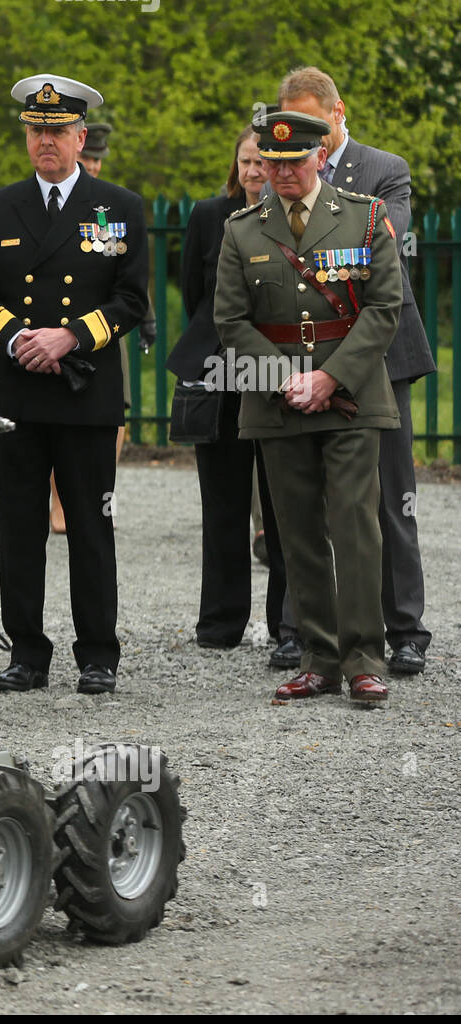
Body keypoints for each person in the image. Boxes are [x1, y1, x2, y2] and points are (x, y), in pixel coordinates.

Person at [0, 73, 149, 696]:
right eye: (36, 131)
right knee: (20, 529)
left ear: (81, 137)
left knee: (91, 529)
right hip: (19, 389)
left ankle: (98, 653)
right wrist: (16, 335)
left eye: (58, 131)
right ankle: (27, 654)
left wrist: (70, 336)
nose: (46, 141)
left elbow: (130, 297)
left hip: (86, 389)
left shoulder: (118, 208)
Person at [214, 110, 402, 705]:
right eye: (273, 163)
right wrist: (287, 379)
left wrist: (329, 377)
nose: (283, 173)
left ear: (321, 156)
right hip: (279, 401)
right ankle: (319, 658)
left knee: (355, 527)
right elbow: (231, 321)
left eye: (295, 162)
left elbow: (383, 308)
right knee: (295, 533)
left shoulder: (365, 216)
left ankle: (365, 659)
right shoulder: (243, 229)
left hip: (351, 399)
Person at [277, 67, 433, 677]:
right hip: (307, 355)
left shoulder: (384, 169)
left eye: (316, 122)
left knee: (392, 495)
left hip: (381, 352)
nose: (305, 138)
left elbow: (384, 244)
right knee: (303, 499)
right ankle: (303, 631)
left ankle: (405, 628)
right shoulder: (285, 171)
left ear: (339, 112)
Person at [166, 124, 294, 652]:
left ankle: (290, 626)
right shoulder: (207, 216)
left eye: (263, 162)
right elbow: (194, 293)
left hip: (276, 372)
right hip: (219, 373)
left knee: (284, 502)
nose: (254, 171)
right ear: (235, 167)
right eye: (246, 161)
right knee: (222, 503)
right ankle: (220, 624)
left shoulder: (294, 221)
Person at [50, 119, 154, 534]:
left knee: (116, 417)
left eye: (97, 160)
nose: (92, 165)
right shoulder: (52, 201)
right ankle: (58, 504)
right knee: (56, 422)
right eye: (88, 158)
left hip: (107, 330)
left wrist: (145, 319)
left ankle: (99, 495)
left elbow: (128, 275)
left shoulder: (112, 207)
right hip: (57, 332)